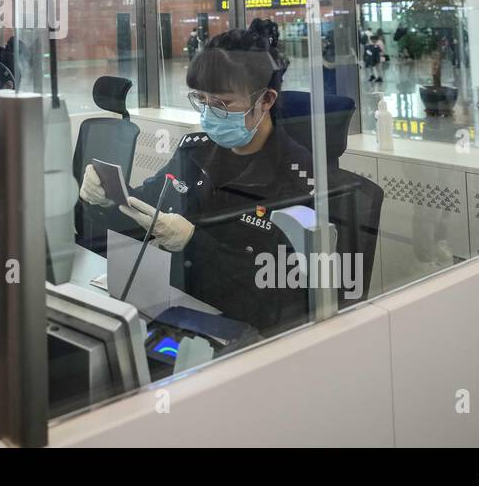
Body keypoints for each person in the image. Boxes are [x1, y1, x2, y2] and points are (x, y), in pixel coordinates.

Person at [78, 20, 316, 338]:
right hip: (181, 310)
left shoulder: (299, 177)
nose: (210, 114)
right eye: (203, 101)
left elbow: (286, 292)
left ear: (267, 100)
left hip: (251, 335)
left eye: (224, 103)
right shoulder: (196, 153)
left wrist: (194, 244)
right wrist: (106, 200)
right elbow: (146, 207)